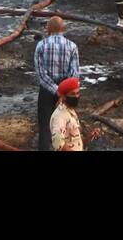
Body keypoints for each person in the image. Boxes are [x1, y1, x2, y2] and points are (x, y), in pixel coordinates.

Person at [34, 15, 80, 151]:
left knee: (45, 128)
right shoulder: (72, 46)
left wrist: (56, 91)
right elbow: (74, 75)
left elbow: (41, 75)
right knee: (67, 126)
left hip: (46, 91)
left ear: (48, 29)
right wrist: (63, 93)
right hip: (67, 93)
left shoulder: (40, 46)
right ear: (63, 29)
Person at [49, 77, 84, 152]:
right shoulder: (60, 116)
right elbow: (58, 144)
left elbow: (75, 141)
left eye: (78, 93)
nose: (76, 96)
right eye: (73, 94)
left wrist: (90, 136)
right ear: (63, 96)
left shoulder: (70, 111)